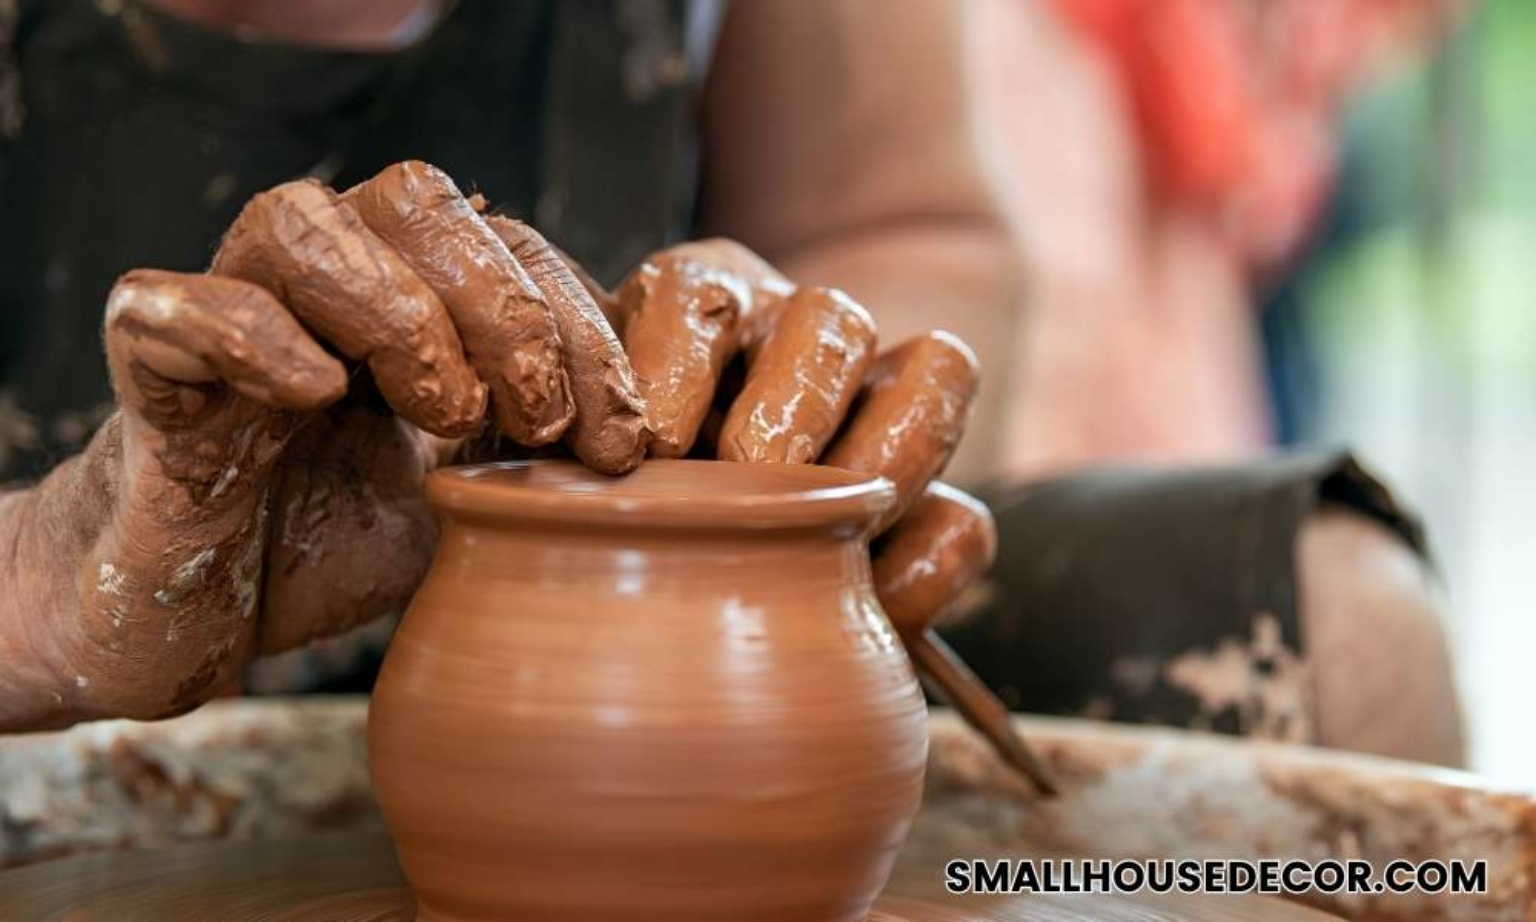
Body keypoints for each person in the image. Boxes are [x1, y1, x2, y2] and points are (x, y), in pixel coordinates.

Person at [0, 0, 1464, 766]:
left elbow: (902, 216)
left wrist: (794, 425)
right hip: (37, 695)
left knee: (1339, 634)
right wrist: (54, 586)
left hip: (555, 628)